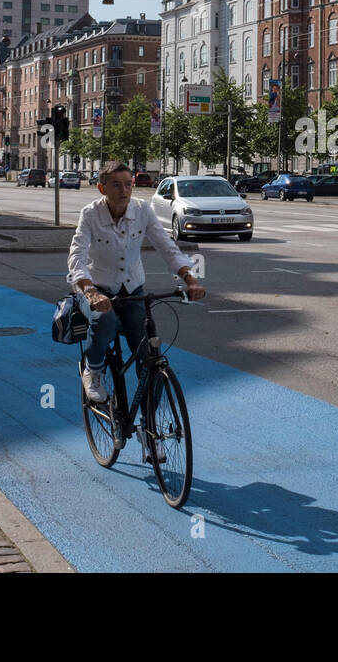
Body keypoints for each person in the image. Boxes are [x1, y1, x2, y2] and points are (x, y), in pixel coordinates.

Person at [68, 162, 205, 456]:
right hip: (97, 287)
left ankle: (148, 428)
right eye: (117, 185)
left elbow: (166, 246)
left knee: (149, 360)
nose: (124, 190)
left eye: (129, 184)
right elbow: (77, 255)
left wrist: (190, 279)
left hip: (132, 289)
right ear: (102, 188)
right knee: (103, 320)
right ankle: (93, 370)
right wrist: (90, 291)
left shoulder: (142, 211)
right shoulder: (90, 214)